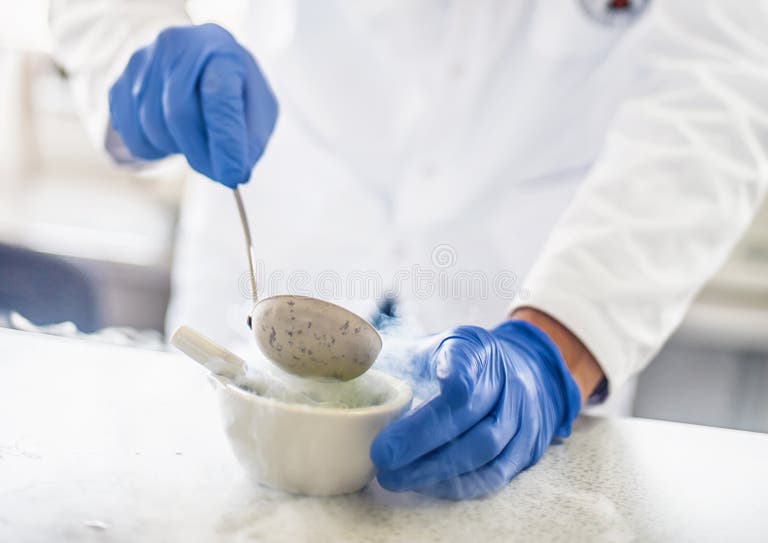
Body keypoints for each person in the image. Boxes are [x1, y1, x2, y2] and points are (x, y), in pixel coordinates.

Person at [50, 0, 768, 499]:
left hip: (528, 289)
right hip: (285, 213)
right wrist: (134, 49)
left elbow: (718, 86)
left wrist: (561, 346)